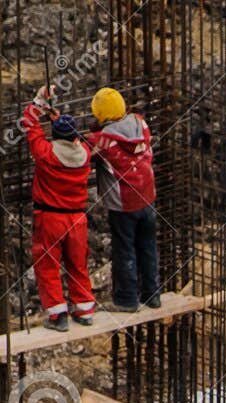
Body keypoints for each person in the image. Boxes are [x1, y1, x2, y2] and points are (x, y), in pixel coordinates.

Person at [22, 92, 95, 331]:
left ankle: (57, 315)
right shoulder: (84, 155)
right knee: (78, 264)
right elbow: (75, 140)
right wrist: (58, 120)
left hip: (50, 217)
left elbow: (30, 126)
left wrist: (37, 104)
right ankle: (84, 309)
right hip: (77, 218)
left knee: (48, 265)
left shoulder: (46, 153)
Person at [89, 87, 159, 312]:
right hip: (148, 198)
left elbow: (84, 150)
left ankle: (127, 299)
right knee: (148, 246)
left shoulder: (104, 139)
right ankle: (152, 295)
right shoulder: (141, 124)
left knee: (124, 249)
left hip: (124, 204)